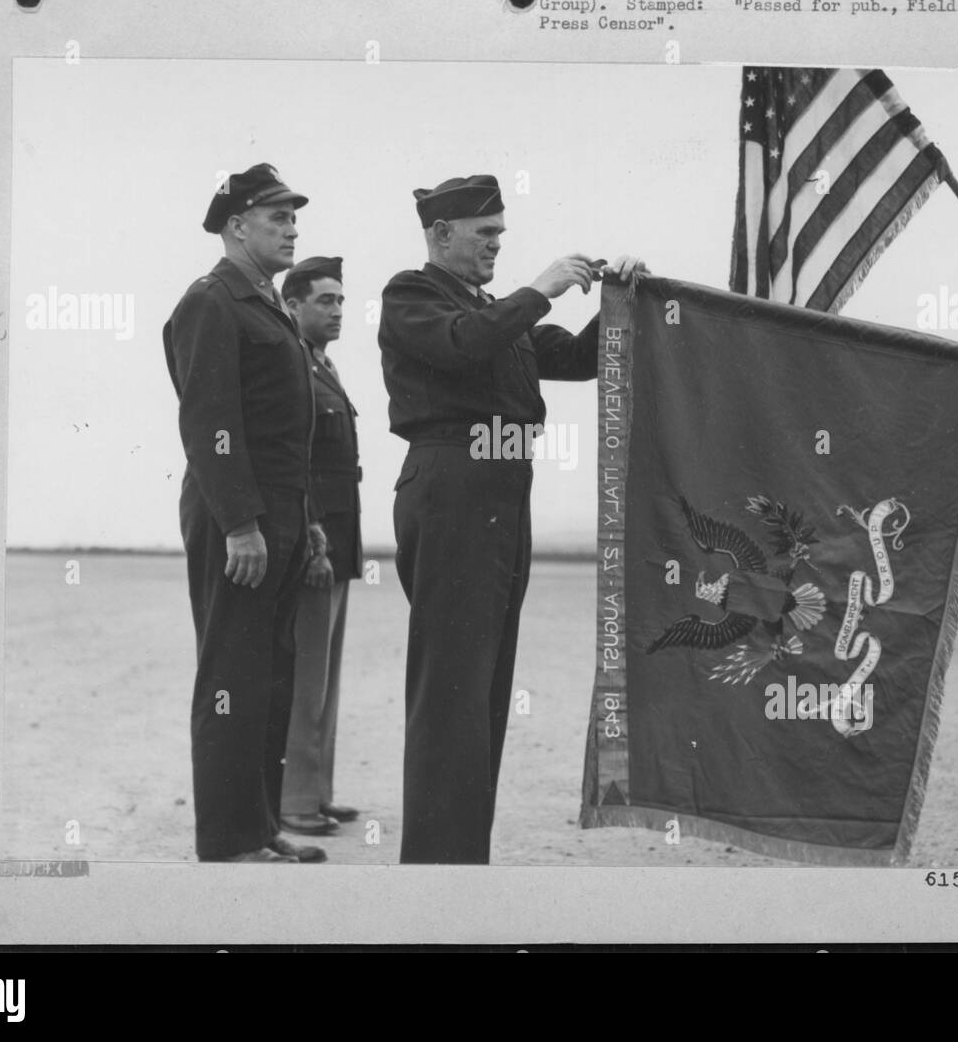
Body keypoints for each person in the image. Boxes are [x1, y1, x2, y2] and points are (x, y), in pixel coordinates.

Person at [378, 173, 645, 863]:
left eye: (501, 234)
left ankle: (462, 860)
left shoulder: (499, 312)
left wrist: (623, 299)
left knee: (484, 689)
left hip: (502, 499)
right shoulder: (412, 296)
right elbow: (465, 343)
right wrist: (543, 287)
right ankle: (437, 870)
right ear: (440, 236)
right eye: (484, 234)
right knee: (451, 691)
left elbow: (582, 358)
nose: (497, 244)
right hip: (451, 492)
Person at [163, 163, 330, 863]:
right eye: (278, 217)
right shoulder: (213, 301)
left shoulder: (265, 305)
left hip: (280, 518)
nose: (293, 228)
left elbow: (285, 430)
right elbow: (209, 422)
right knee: (233, 677)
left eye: (295, 217)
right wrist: (239, 523)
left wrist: (307, 517)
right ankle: (230, 841)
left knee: (271, 674)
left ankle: (261, 825)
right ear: (237, 226)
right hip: (241, 522)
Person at [279, 256, 363, 836]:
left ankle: (319, 791)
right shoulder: (294, 371)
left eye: (340, 300)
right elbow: (297, 465)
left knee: (327, 678)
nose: (337, 310)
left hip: (340, 543)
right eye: (324, 300)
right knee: (306, 680)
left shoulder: (323, 367)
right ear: (293, 305)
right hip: (315, 547)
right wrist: (313, 543)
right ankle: (294, 803)